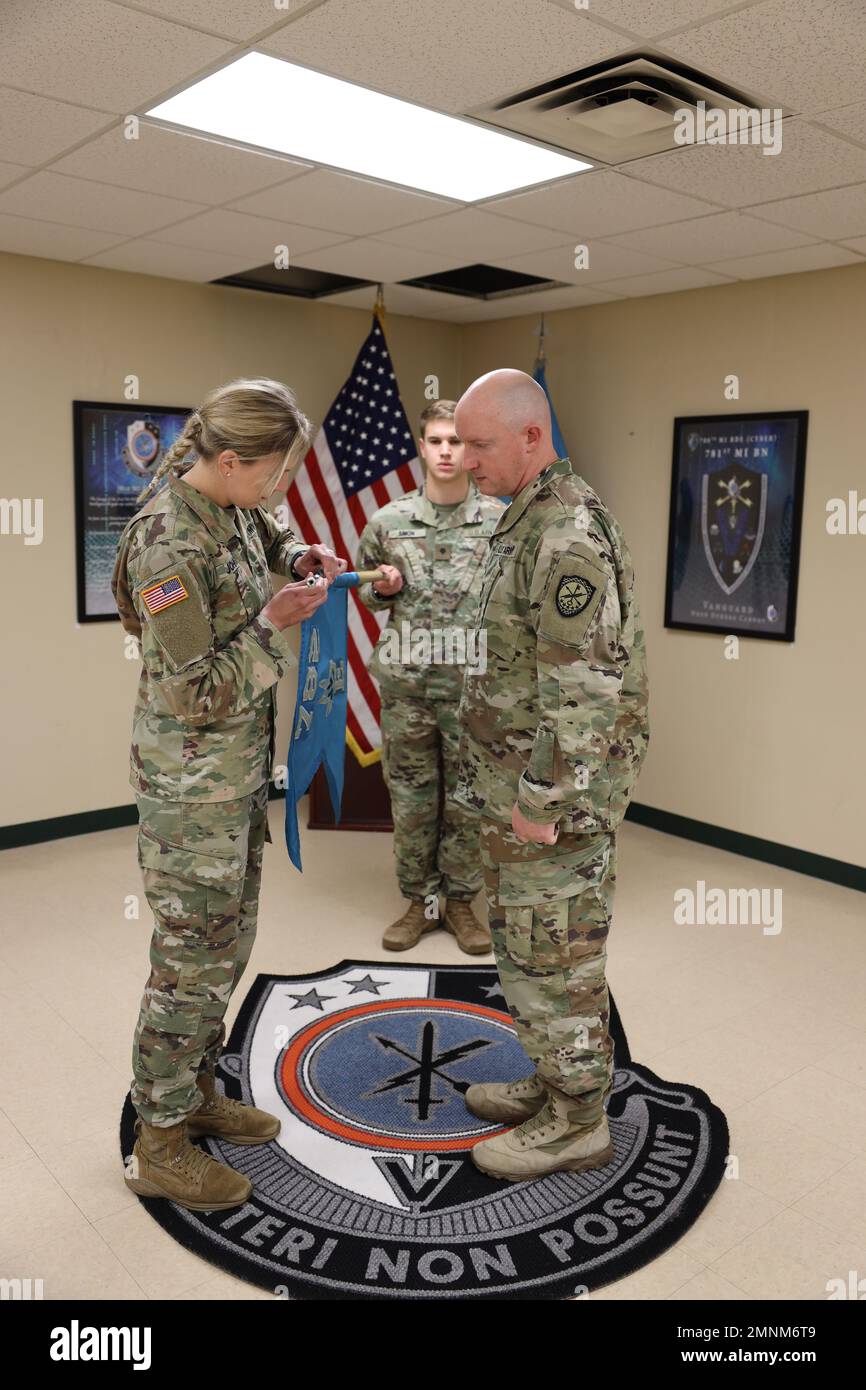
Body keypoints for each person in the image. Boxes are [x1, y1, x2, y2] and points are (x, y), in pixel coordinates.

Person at [111, 378, 346, 1211]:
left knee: (226, 949)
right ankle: (161, 1141)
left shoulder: (236, 509)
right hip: (191, 792)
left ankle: (196, 1091)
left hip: (236, 776)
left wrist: (301, 560)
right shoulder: (165, 546)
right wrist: (273, 625)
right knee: (187, 966)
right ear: (232, 459)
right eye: (276, 471)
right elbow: (194, 694)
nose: (281, 488)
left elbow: (271, 537)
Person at [452, 369, 649, 1181]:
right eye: (458, 441)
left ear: (533, 438)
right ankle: (549, 1078)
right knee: (527, 949)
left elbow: (581, 698)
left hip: (552, 804)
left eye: (479, 443)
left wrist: (539, 801)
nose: (464, 459)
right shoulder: (523, 521)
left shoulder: (567, 535)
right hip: (516, 791)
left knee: (558, 953)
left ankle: (578, 1120)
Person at [356, 401, 505, 952]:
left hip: (472, 687)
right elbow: (367, 592)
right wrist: (383, 590)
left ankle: (462, 904)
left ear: (471, 450)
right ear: (422, 447)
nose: (446, 451)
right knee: (414, 800)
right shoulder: (388, 522)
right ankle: (420, 902)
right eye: (436, 441)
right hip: (409, 688)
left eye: (457, 442)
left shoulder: (499, 521)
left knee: (467, 802)